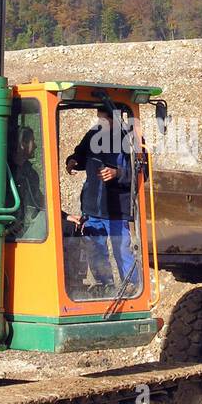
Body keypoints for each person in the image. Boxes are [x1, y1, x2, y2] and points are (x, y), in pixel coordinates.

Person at [66, 108, 143, 293]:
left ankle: (131, 285)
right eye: (99, 118)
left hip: (117, 209)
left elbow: (142, 173)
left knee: (122, 249)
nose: (99, 123)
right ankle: (105, 284)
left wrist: (118, 173)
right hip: (92, 207)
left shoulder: (132, 139)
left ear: (116, 118)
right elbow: (81, 155)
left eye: (103, 119)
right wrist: (73, 160)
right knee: (95, 247)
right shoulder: (94, 134)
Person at [7, 125, 46, 240]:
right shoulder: (4, 171)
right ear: (22, 144)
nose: (35, 146)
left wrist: (64, 215)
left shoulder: (30, 173)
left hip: (20, 229)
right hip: (8, 232)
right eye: (32, 141)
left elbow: (39, 201)